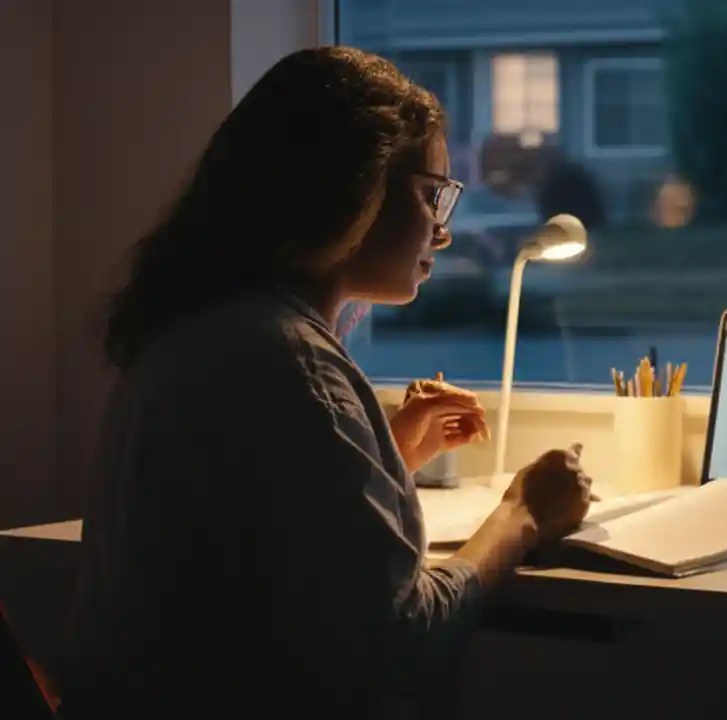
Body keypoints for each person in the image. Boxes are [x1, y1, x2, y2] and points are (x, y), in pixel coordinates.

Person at [58, 46, 592, 718]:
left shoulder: (201, 330)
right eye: (433, 194)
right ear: (357, 188)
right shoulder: (291, 365)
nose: (444, 232)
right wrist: (523, 514)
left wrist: (383, 457)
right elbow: (402, 645)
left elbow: (258, 544)